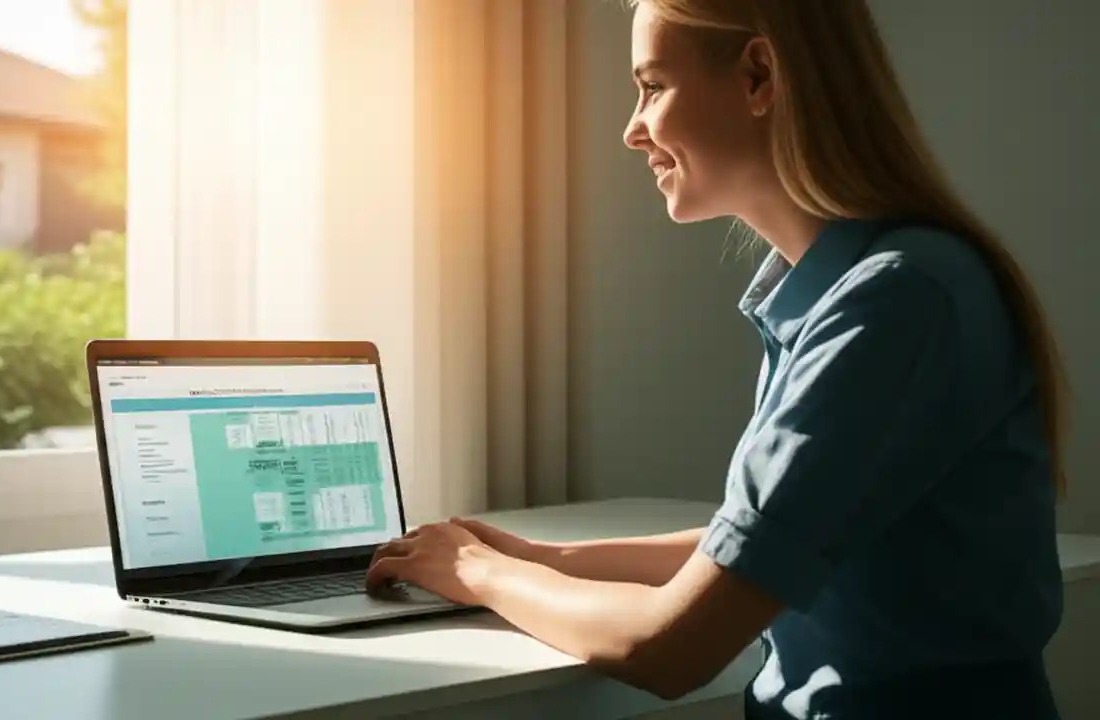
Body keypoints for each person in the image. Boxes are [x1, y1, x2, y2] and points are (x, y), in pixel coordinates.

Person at [365, 1, 1067, 717]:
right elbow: (755, 546)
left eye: (652, 86)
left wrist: (476, 571)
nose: (632, 129)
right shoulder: (866, 290)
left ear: (760, 76)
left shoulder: (894, 303)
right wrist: (541, 560)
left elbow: (668, 647)